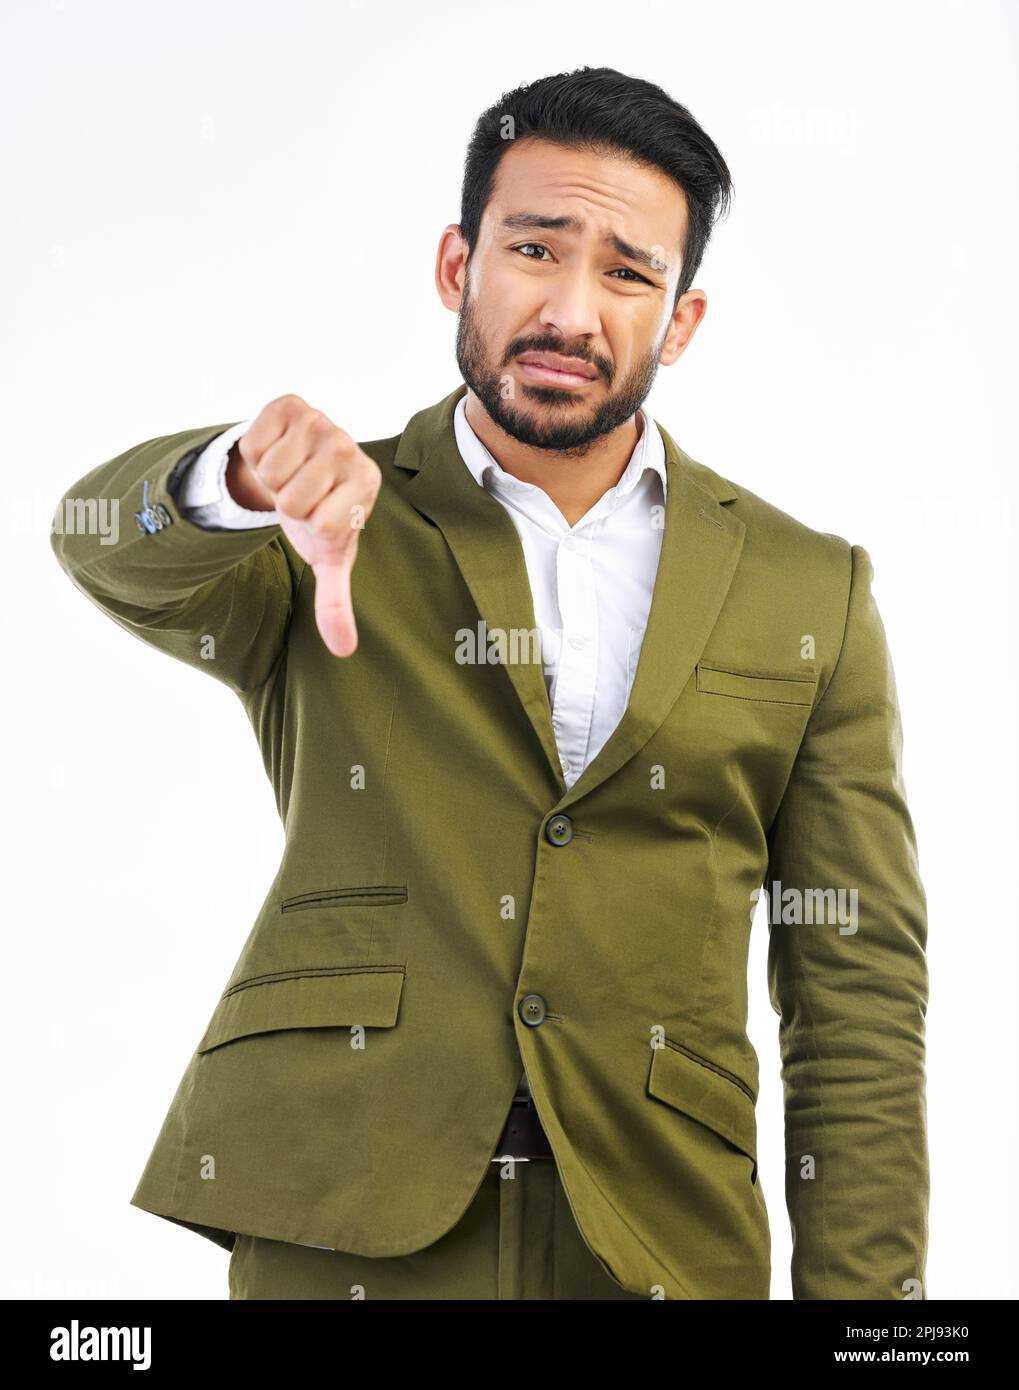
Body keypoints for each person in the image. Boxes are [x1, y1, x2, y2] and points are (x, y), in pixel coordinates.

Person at [49, 65, 929, 1300]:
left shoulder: (809, 590)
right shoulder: (324, 518)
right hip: (341, 1216)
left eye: (627, 272)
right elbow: (98, 541)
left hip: (660, 1236)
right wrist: (237, 482)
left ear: (678, 322)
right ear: (457, 265)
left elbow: (855, 996)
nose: (572, 310)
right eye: (534, 248)